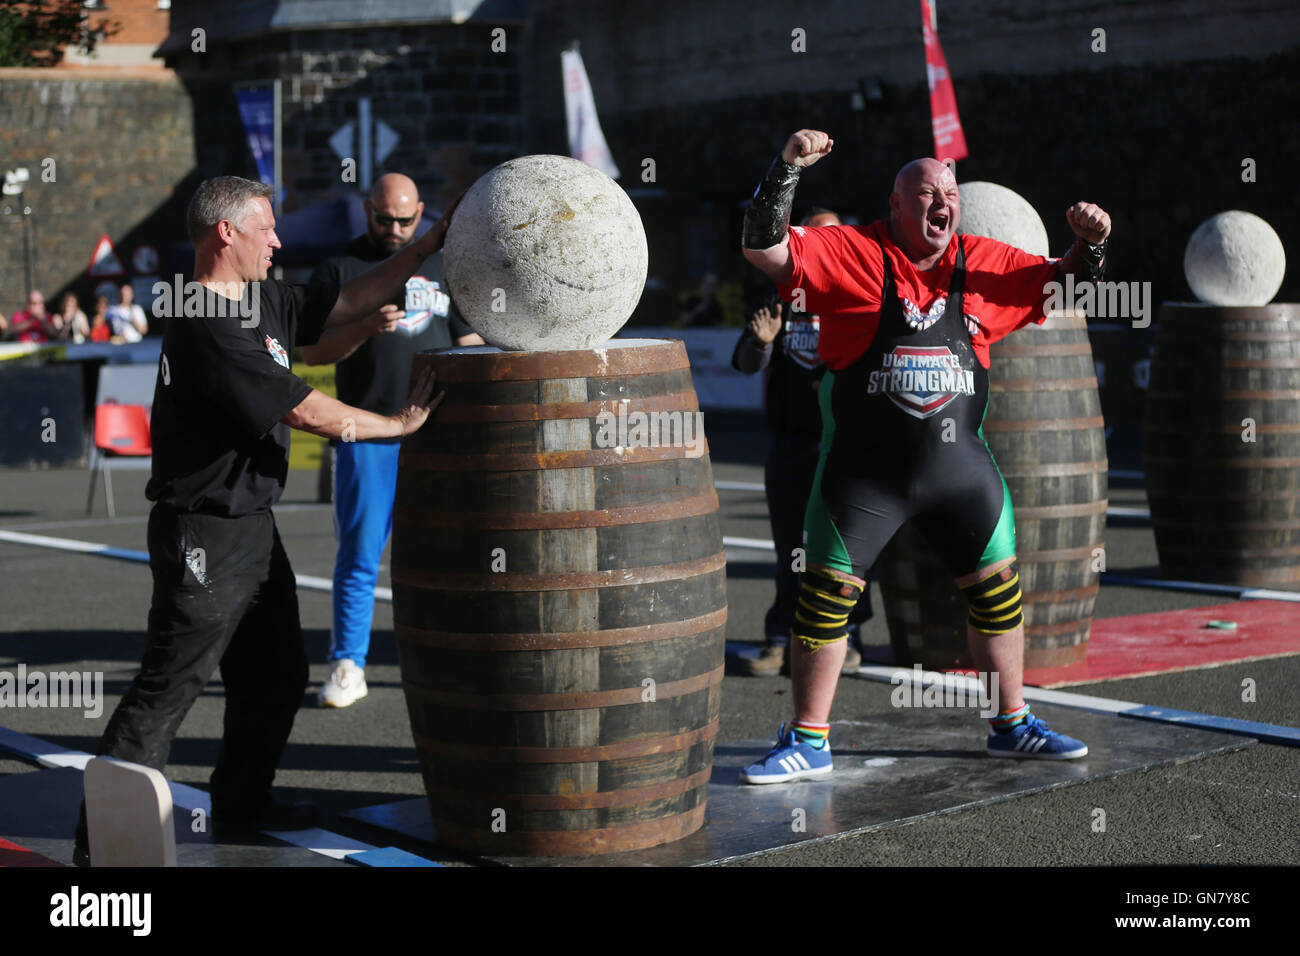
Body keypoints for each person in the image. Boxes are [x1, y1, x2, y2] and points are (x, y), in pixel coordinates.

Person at [73, 175, 453, 864]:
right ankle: (101, 846)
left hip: (250, 523)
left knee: (276, 674)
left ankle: (243, 803)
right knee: (169, 686)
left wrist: (424, 248)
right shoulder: (204, 319)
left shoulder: (262, 297)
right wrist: (397, 425)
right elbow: (306, 409)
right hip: (203, 530)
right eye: (266, 228)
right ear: (226, 232)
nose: (278, 240)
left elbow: (351, 297)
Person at [738, 129, 1110, 783]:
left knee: (999, 596)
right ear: (896, 205)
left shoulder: (982, 262)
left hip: (959, 476)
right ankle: (809, 738)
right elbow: (764, 247)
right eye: (927, 193)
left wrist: (1091, 246)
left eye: (950, 193)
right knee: (823, 601)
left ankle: (1012, 724)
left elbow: (1066, 289)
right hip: (865, 477)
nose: (943, 201)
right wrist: (787, 167)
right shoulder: (855, 252)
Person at [301, 173, 482, 709]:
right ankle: (347, 664)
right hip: (368, 432)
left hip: (438, 435)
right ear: (367, 211)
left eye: (406, 219)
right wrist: (362, 329)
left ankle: (451, 658)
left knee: (452, 556)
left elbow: (470, 343)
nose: (396, 228)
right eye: (385, 219)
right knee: (360, 554)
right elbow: (311, 353)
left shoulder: (446, 265)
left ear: (421, 212)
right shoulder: (340, 267)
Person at [731, 207, 872, 677]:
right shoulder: (777, 295)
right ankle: (780, 638)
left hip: (846, 445)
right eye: (815, 238)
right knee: (790, 546)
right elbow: (745, 363)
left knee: (845, 548)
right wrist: (762, 344)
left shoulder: (861, 293)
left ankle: (848, 635)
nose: (825, 248)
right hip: (791, 444)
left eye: (834, 238)